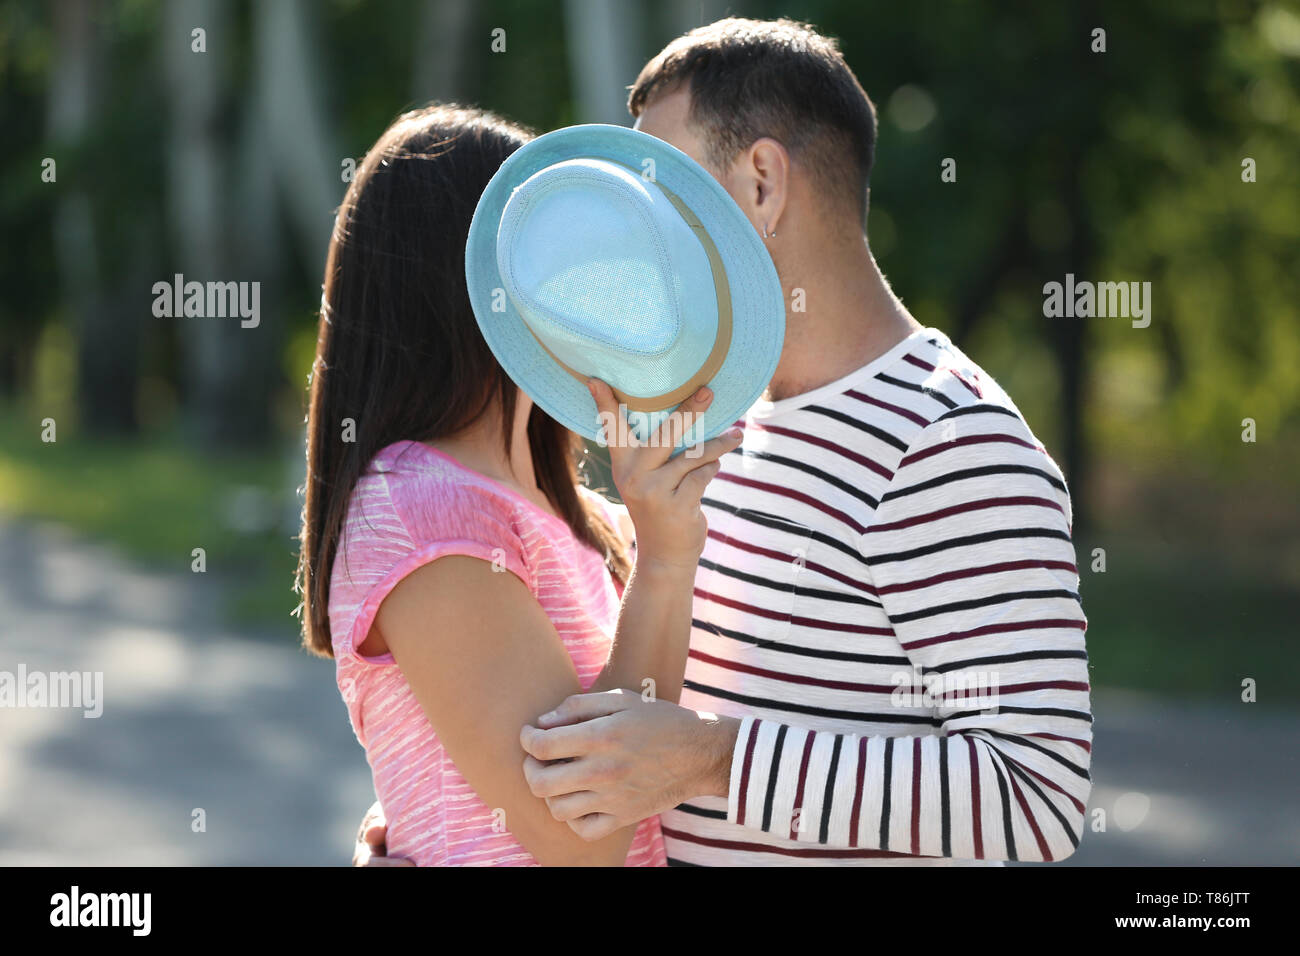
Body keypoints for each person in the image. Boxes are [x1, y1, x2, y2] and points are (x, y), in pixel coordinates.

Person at [360, 17, 1092, 867]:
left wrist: (713, 759)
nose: (626, 231)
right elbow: (608, 743)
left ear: (761, 183)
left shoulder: (951, 443)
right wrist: (432, 830)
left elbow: (1037, 796)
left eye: (658, 186)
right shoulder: (705, 424)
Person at [298, 103, 740, 866]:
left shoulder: (572, 510)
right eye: (549, 250)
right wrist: (665, 564)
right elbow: (580, 834)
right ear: (470, 276)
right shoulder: (420, 509)